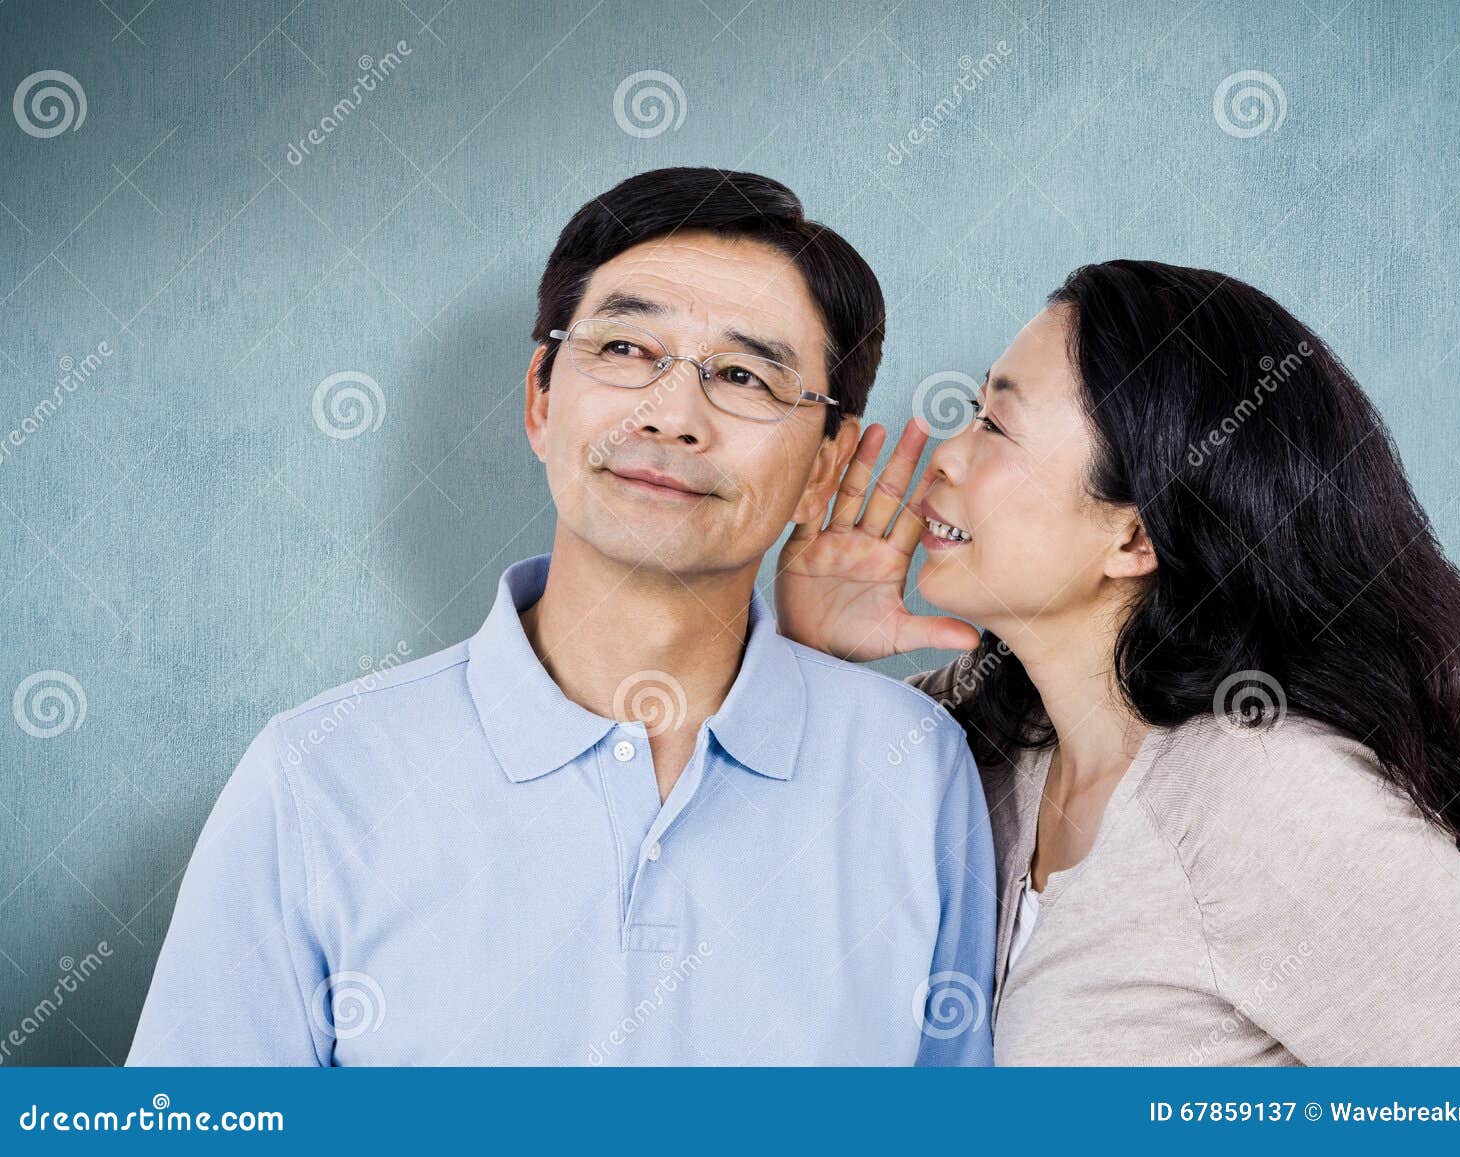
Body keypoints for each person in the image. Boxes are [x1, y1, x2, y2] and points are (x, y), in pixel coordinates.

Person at [127, 168, 995, 1066]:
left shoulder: (914, 771)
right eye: (625, 350)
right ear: (542, 395)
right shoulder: (319, 777)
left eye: (742, 374)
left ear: (826, 462)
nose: (672, 415)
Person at [776, 258, 1460, 1065]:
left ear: (1134, 537)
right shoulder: (986, 732)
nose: (944, 457)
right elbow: (778, 907)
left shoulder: (1270, 795)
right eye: (972, 410)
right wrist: (814, 657)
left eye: (996, 426)